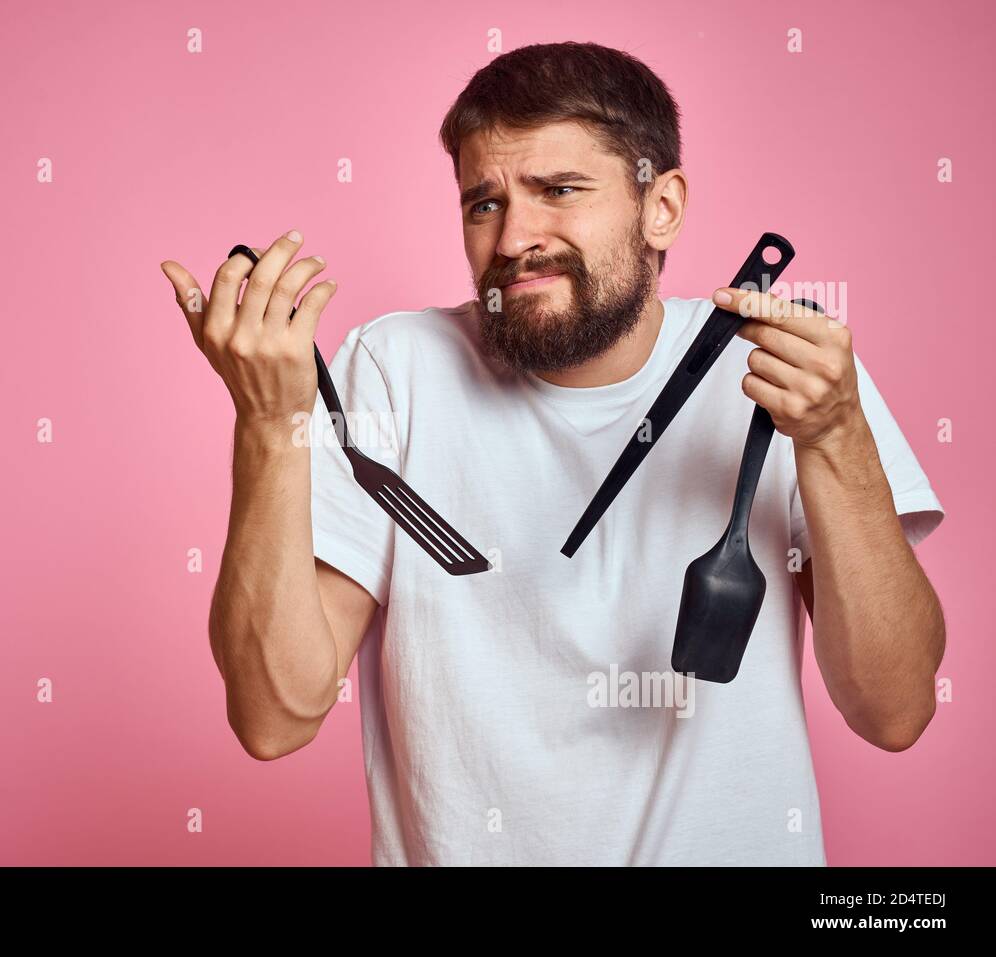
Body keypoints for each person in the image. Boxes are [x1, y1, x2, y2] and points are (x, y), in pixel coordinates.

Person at [159, 41, 945, 866]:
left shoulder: (784, 375)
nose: (514, 237)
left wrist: (836, 439)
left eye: (559, 190)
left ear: (662, 206)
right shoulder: (392, 372)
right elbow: (274, 715)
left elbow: (894, 709)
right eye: (483, 203)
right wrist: (265, 421)